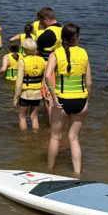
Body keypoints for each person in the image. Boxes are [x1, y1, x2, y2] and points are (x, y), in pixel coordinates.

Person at [45, 23, 90, 173]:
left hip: (61, 101)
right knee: (74, 138)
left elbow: (47, 76)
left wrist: (53, 97)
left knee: (56, 137)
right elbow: (89, 82)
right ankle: (77, 172)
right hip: (80, 101)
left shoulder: (55, 54)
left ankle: (50, 169)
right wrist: (86, 100)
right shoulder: (84, 53)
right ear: (76, 37)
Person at [12, 38, 45, 132]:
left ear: (24, 49)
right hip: (37, 93)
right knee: (34, 117)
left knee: (22, 117)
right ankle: (35, 136)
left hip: (25, 93)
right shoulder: (42, 60)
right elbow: (44, 78)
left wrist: (15, 99)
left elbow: (19, 82)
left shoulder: (23, 61)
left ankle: (24, 139)